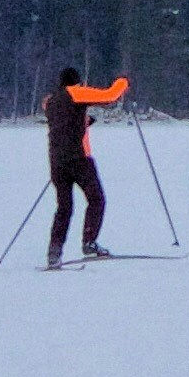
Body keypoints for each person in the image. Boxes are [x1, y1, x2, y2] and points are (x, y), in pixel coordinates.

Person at [44, 65, 130, 264]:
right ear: (76, 82)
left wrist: (85, 121)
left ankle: (54, 252)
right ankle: (89, 242)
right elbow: (110, 96)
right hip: (79, 159)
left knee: (64, 208)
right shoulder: (76, 92)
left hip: (57, 161)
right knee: (96, 199)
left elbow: (65, 122)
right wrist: (124, 81)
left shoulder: (52, 101)